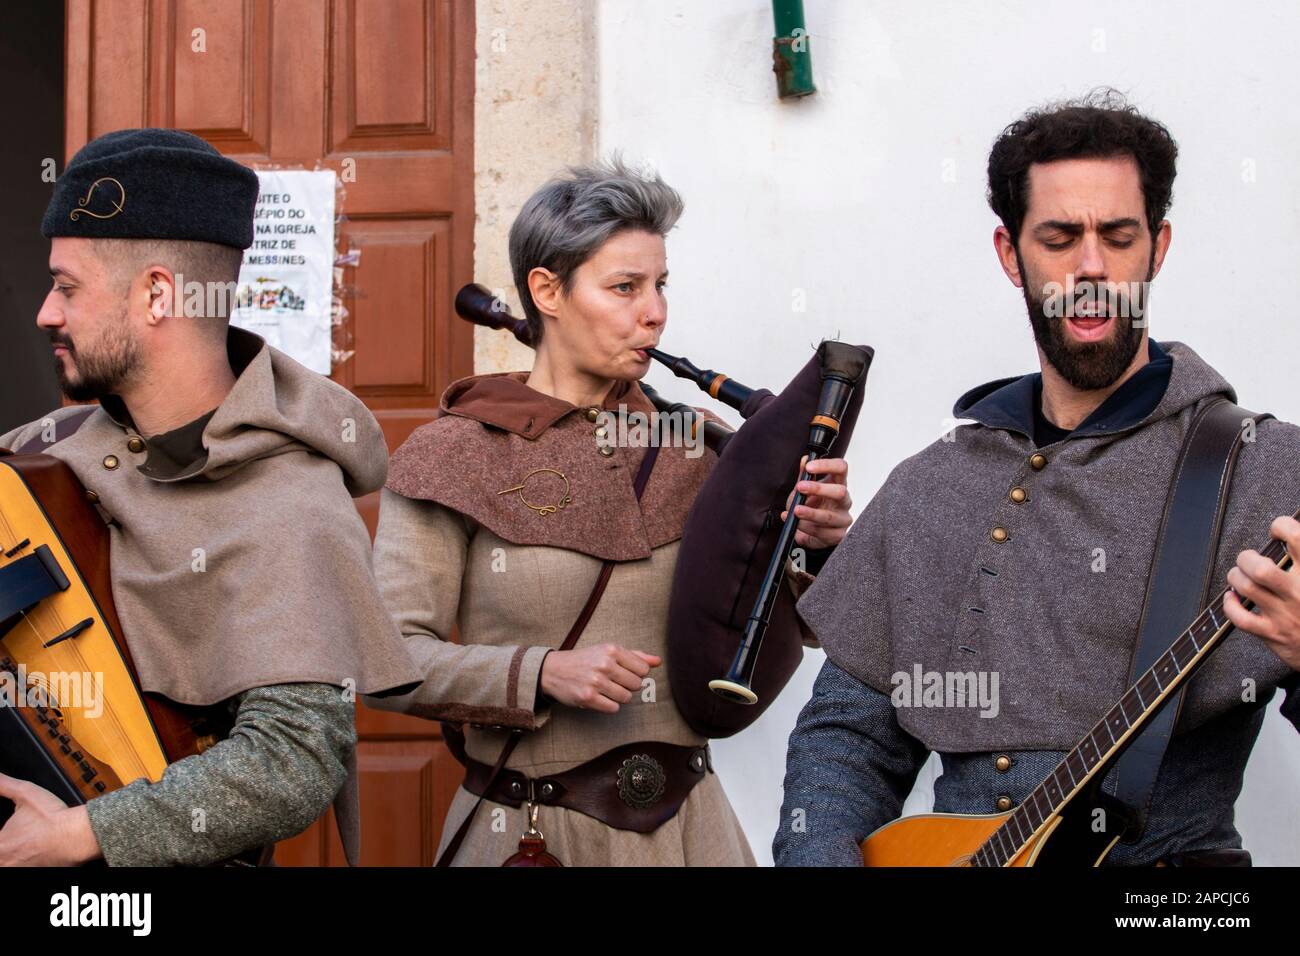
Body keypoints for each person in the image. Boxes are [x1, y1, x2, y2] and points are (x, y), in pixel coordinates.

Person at [775, 90, 1300, 867]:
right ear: (1009, 253)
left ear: (1157, 248)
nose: (1090, 267)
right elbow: (847, 734)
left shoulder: (1263, 467)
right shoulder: (932, 482)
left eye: (1117, 236)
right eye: (1059, 237)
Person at [367, 159, 855, 865]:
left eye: (659, 285)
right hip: (534, 838)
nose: (653, 310)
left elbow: (803, 632)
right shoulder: (453, 455)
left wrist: (818, 543)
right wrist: (540, 673)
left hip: (695, 836)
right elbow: (386, 664)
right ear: (547, 291)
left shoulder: (704, 450)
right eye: (624, 287)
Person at [0, 128, 420, 866]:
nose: (46, 313)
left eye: (68, 287)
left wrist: (76, 835)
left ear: (158, 294)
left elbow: (289, 763)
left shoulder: (292, 501)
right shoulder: (44, 460)